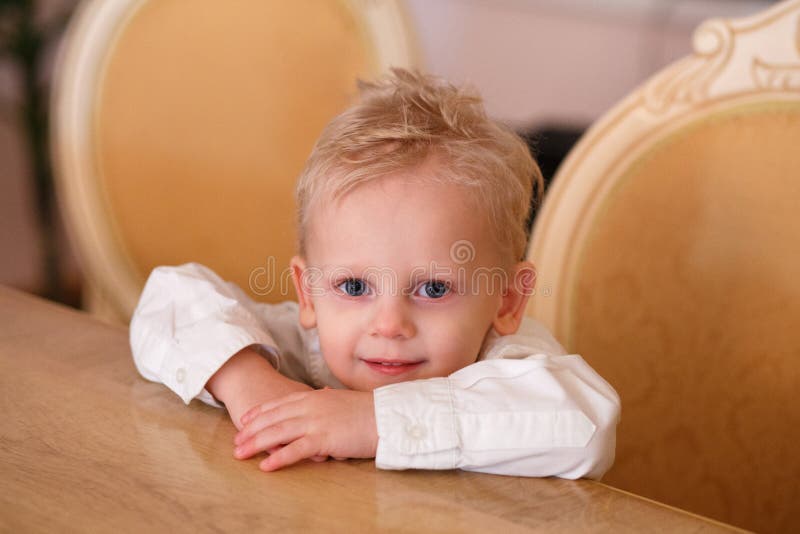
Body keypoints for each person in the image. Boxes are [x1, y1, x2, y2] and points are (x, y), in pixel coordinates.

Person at [130, 69, 619, 478]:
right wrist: (248, 381)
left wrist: (372, 421)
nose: (389, 325)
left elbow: (586, 425)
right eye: (354, 286)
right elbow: (169, 298)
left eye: (433, 288)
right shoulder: (306, 346)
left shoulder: (512, 363)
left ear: (506, 301)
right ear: (309, 294)